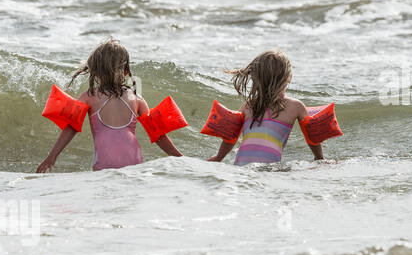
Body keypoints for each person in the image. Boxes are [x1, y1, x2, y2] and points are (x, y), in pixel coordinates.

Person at [35, 39, 183, 172]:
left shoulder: (90, 96)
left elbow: (71, 128)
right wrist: (181, 158)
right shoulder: (137, 98)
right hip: (135, 163)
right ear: (126, 71)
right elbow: (158, 136)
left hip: (104, 164)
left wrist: (51, 157)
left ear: (96, 72)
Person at [207, 50, 325, 165]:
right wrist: (319, 158)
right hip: (269, 167)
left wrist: (219, 157)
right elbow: (312, 137)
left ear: (256, 77)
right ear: (289, 77)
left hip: (241, 165)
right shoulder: (295, 106)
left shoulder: (248, 106)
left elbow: (230, 138)